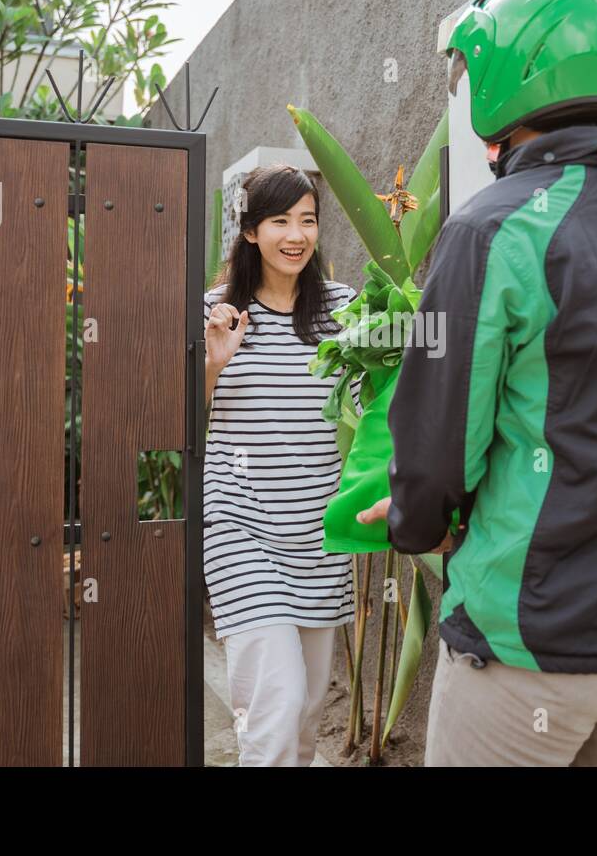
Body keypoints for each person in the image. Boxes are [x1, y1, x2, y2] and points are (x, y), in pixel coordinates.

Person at [358, 0, 597, 766]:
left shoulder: (492, 227)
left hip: (534, 645)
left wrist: (411, 520)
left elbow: (439, 440)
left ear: (501, 78)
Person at [203, 163, 359, 766]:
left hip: (320, 534)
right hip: (242, 531)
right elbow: (176, 411)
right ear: (249, 232)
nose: (296, 234)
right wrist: (214, 362)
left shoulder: (342, 312)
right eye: (280, 221)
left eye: (308, 220)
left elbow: (376, 402)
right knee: (276, 700)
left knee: (305, 713)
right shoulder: (219, 312)